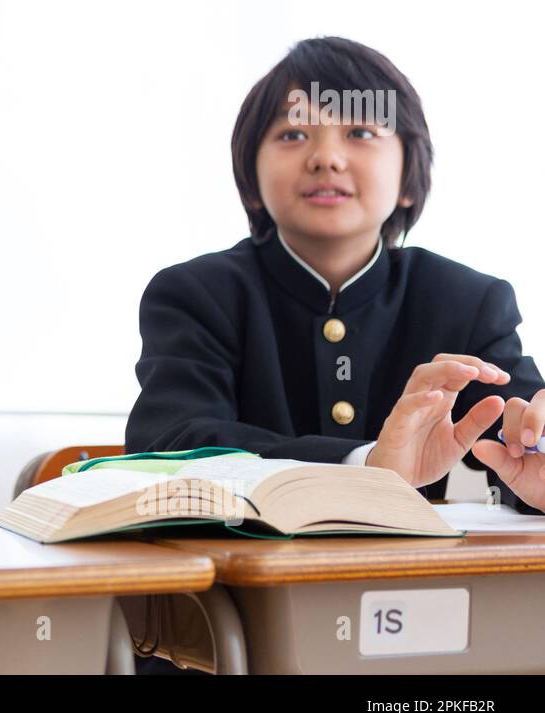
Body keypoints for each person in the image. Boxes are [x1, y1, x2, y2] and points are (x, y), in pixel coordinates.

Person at [127, 36, 545, 514]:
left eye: (361, 134)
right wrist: (364, 463)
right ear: (251, 178)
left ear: (408, 175)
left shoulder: (467, 301)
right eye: (293, 135)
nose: (326, 157)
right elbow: (169, 445)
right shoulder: (195, 295)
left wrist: (535, 459)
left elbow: (518, 436)